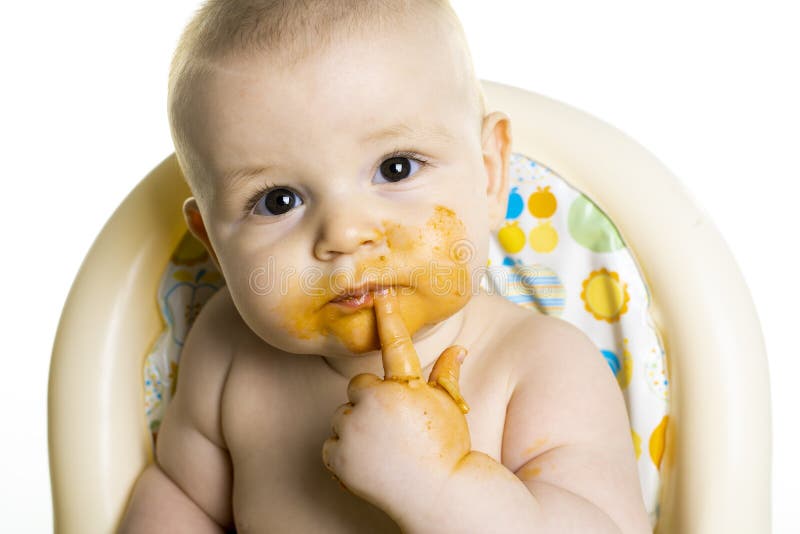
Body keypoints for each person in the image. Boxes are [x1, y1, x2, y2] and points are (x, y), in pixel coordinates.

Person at [119, 1, 651, 532]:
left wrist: (441, 488)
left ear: (489, 175)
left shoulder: (538, 367)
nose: (346, 235)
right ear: (213, 246)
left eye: (395, 169)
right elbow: (181, 496)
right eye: (278, 201)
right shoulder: (225, 352)